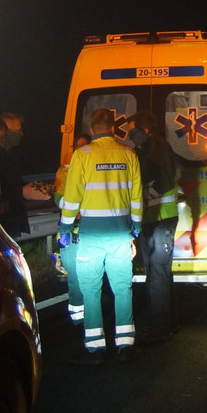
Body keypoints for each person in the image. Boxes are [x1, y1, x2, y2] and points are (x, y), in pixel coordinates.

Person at [59, 107, 143, 364]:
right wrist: (136, 230)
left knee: (91, 291)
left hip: (91, 237)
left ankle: (95, 350)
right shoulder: (129, 154)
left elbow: (72, 196)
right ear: (113, 128)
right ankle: (125, 346)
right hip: (120, 234)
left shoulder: (82, 155)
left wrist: (64, 228)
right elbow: (136, 198)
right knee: (123, 290)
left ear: (93, 129)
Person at [129, 111, 179, 343]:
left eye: (134, 130)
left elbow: (164, 180)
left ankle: (160, 327)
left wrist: (143, 195)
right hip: (150, 219)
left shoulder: (160, 148)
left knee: (158, 272)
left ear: (145, 130)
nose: (130, 135)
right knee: (153, 273)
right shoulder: (146, 148)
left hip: (161, 218)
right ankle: (157, 322)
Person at [56, 133, 91, 323]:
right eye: (76, 146)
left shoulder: (96, 170)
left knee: (92, 279)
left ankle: (92, 317)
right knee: (75, 278)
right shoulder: (64, 171)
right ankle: (78, 319)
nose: (79, 150)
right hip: (72, 233)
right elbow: (58, 197)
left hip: (92, 232)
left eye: (83, 146)